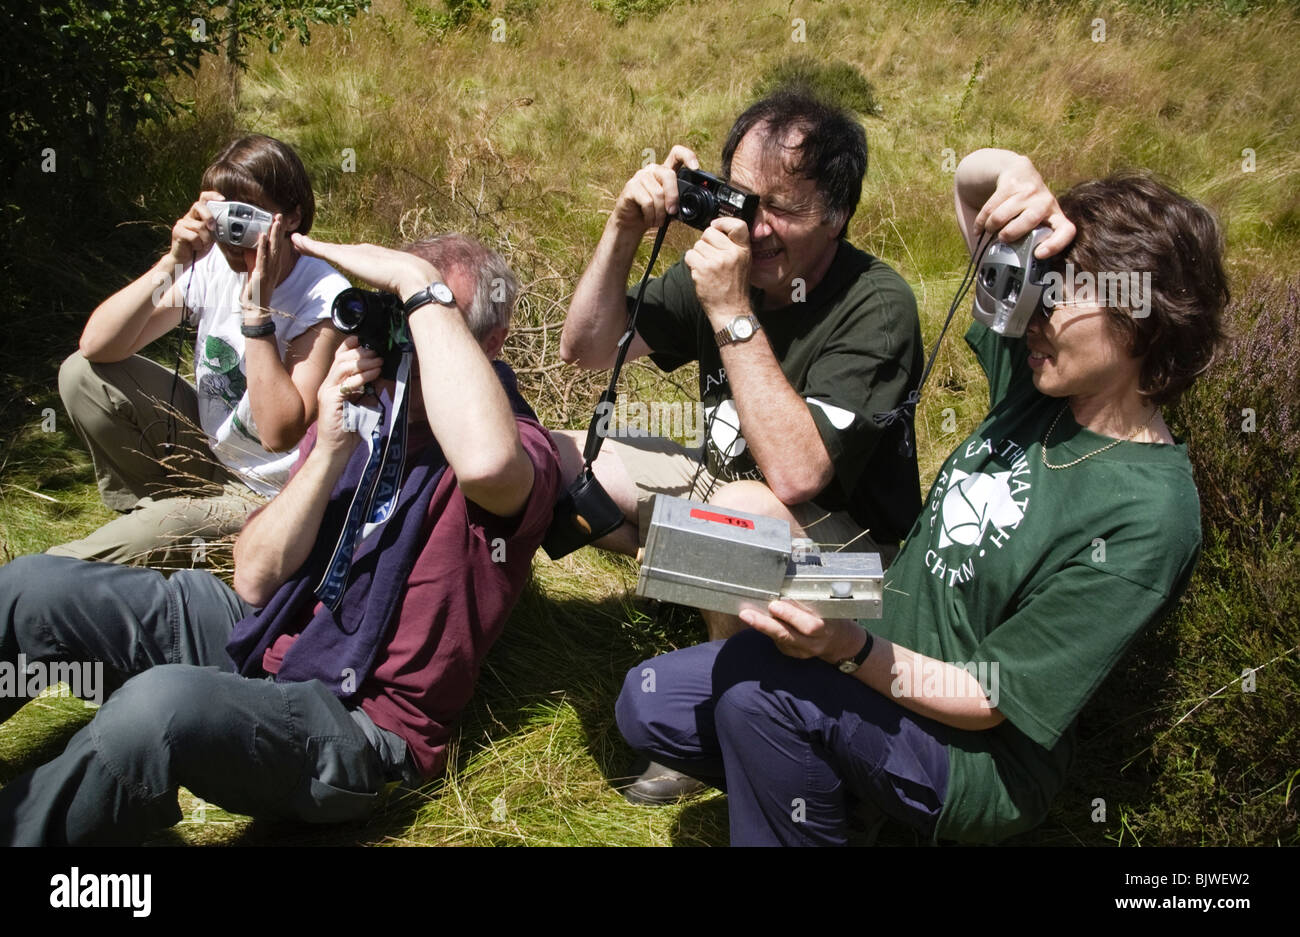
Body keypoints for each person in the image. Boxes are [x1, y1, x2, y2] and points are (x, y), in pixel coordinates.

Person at [614, 148, 1227, 844]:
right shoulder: (1045, 382)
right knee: (649, 704)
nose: (1033, 309)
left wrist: (845, 649)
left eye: (1062, 291)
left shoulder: (1150, 513)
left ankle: (826, 797)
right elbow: (972, 192)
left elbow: (990, 698)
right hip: (880, 644)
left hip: (971, 755)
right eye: (1038, 279)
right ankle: (839, 791)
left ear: (1144, 315)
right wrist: (1013, 175)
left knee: (757, 703)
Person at [0, 233, 561, 845]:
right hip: (273, 631)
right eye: (399, 316)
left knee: (157, 711)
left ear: (489, 344)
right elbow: (254, 578)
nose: (407, 339)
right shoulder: (365, 410)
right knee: (31, 587)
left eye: (431, 317)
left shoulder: (521, 449)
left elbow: (483, 465)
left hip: (361, 719)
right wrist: (328, 451)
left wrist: (414, 282)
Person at [557, 87, 923, 630]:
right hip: (724, 491)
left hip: (855, 570)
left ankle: (722, 679)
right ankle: (697, 576)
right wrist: (624, 228)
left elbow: (796, 477)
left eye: (784, 208)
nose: (756, 228)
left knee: (737, 516)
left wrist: (731, 311)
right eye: (746, 199)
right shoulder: (731, 259)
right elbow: (584, 349)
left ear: (837, 214)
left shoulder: (877, 306)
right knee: (552, 458)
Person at [50, 133, 349, 567]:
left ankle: (36, 586)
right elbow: (97, 346)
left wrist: (257, 315)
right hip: (209, 451)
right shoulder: (211, 263)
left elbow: (277, 434)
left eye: (248, 215)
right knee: (82, 375)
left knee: (103, 557)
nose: (233, 234)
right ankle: (157, 517)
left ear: (291, 216)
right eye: (224, 215)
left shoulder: (324, 298)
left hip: (269, 494)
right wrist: (173, 260)